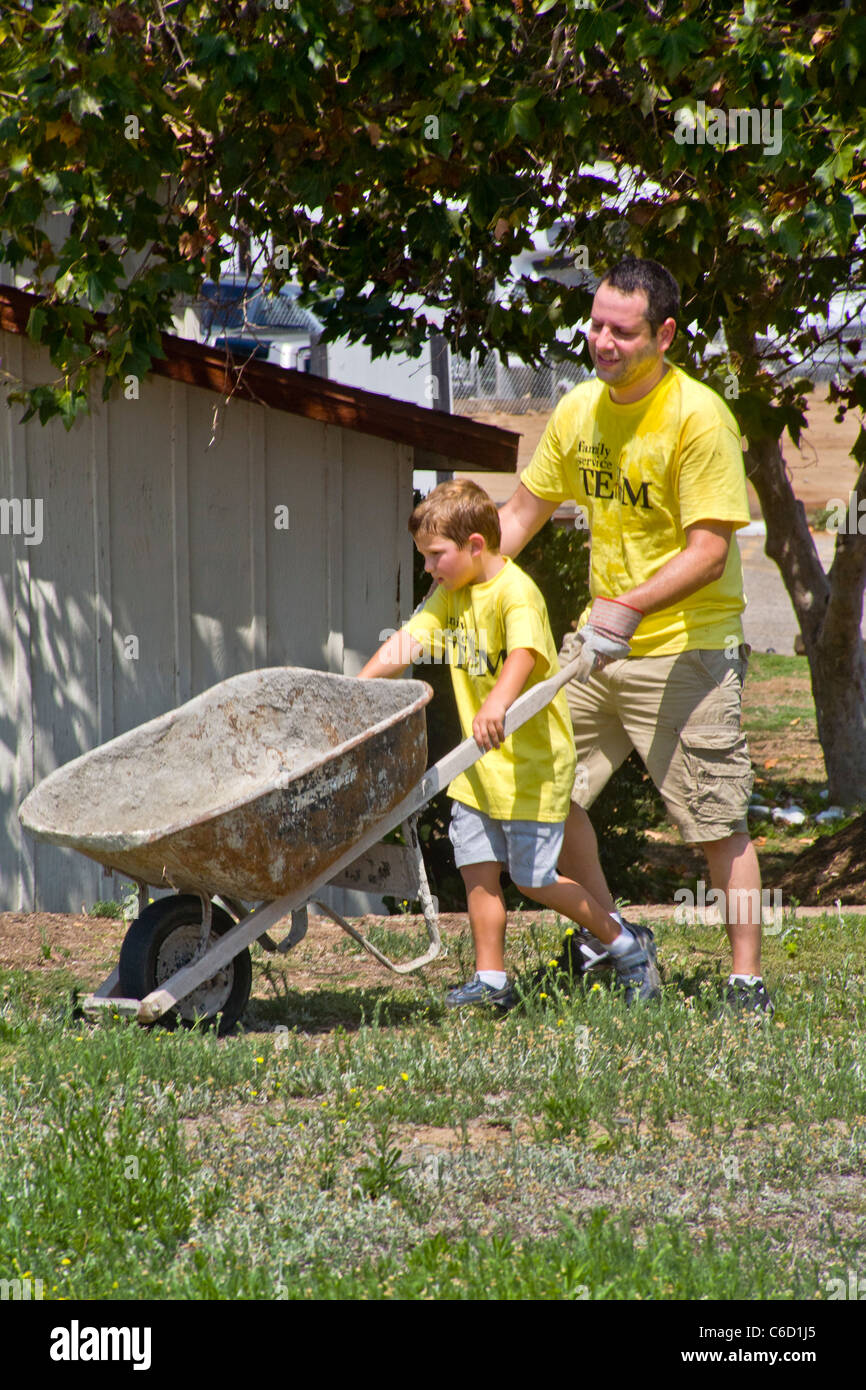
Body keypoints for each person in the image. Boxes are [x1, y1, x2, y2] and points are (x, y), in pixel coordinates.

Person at [497, 255, 772, 1017]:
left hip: (685, 651)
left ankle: (745, 985)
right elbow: (519, 517)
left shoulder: (698, 417)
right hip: (598, 649)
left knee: (717, 826)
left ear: (665, 335)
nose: (603, 342)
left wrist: (628, 607)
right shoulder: (581, 409)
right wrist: (457, 576)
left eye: (622, 331)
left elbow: (710, 549)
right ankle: (616, 942)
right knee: (542, 796)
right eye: (595, 326)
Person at [358, 478, 661, 1008]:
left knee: (535, 879)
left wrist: (496, 702)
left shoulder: (515, 591)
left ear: (475, 545)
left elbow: (523, 654)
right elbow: (407, 640)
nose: (429, 569)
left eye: (435, 556)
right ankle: (492, 981)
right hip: (478, 769)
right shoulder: (452, 595)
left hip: (531, 769)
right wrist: (357, 693)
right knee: (478, 873)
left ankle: (623, 943)